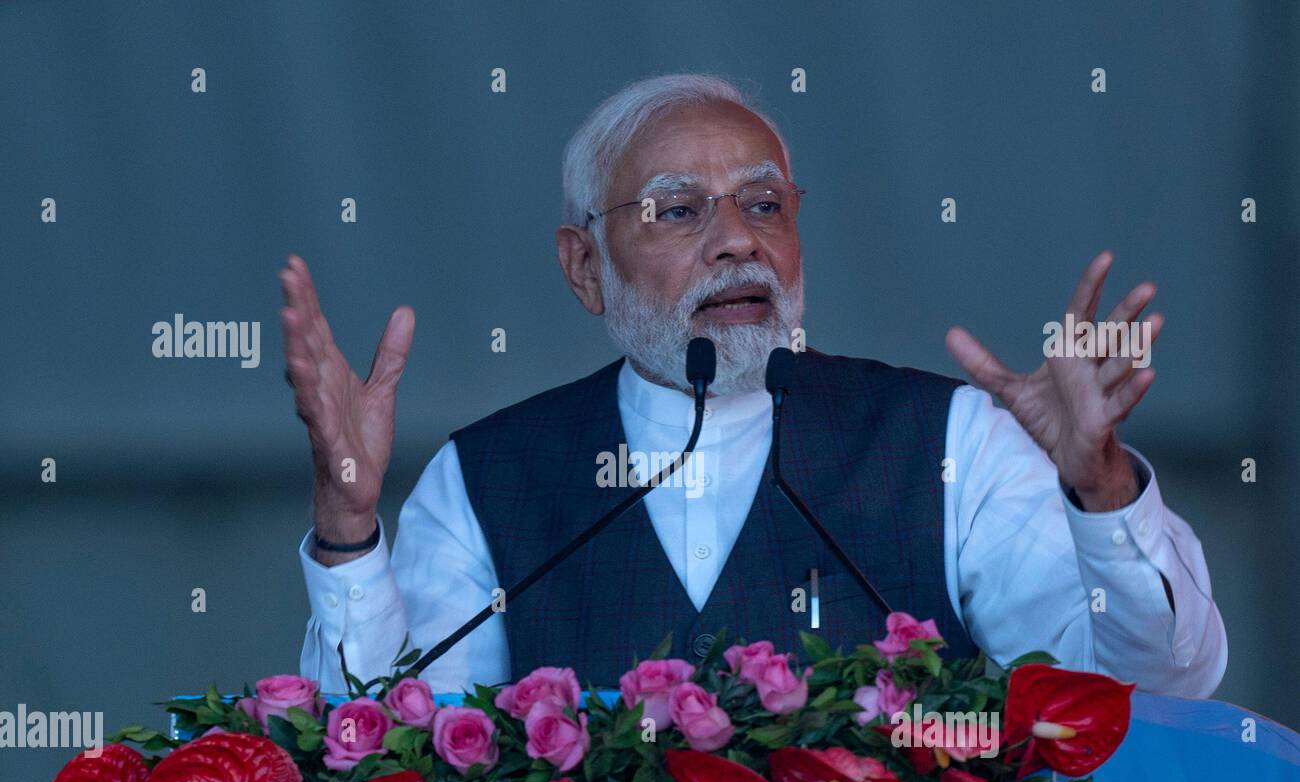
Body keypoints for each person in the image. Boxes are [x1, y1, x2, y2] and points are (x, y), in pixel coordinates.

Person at [278, 73, 1226, 698]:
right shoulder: (489, 478)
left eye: (765, 204)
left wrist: (1101, 489)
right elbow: (391, 757)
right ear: (584, 267)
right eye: (679, 210)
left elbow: (1145, 690)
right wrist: (348, 526)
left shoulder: (948, 442)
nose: (738, 240)